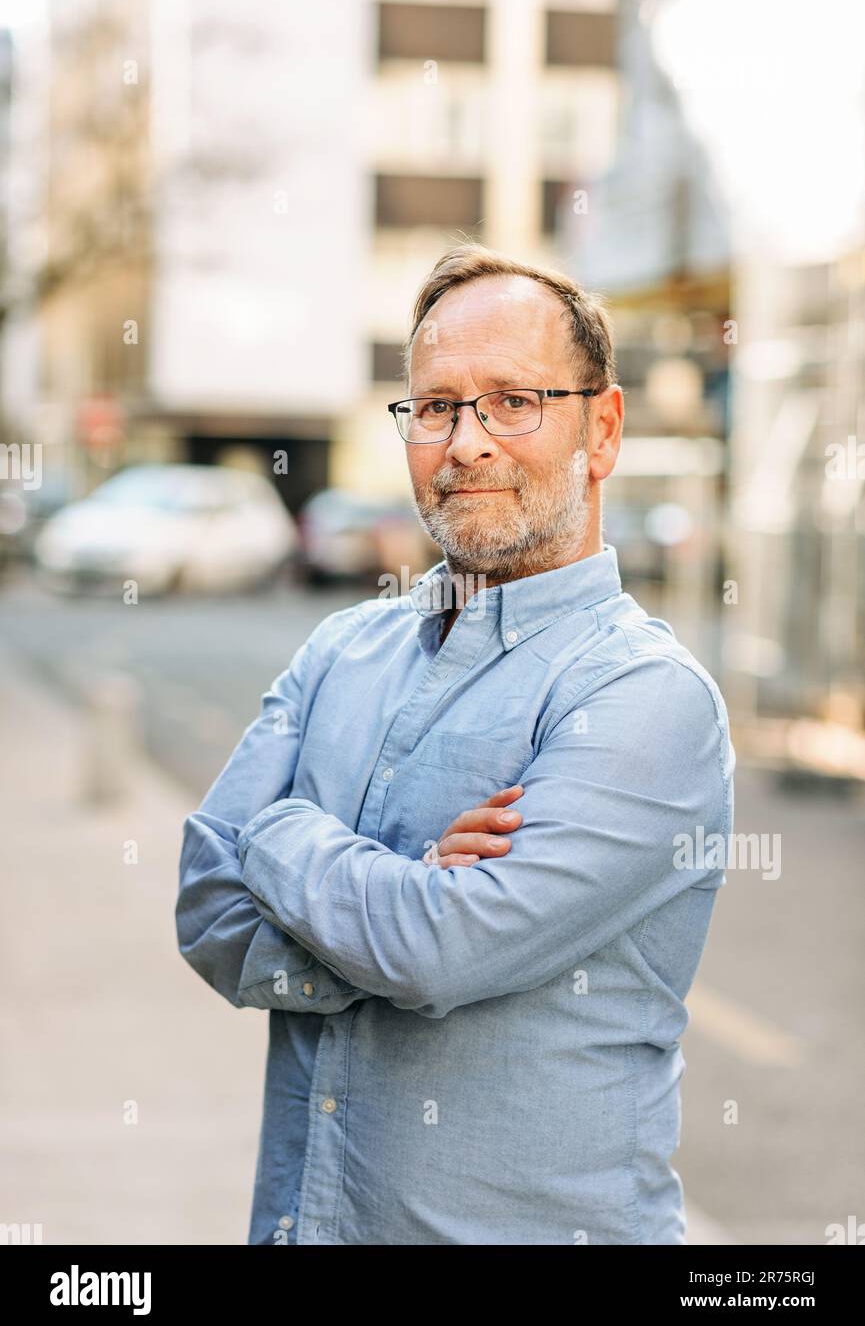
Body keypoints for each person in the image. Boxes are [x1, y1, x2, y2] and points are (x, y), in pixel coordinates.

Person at [176, 242, 735, 1245]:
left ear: (600, 429)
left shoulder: (645, 698)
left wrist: (285, 834)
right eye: (435, 406)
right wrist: (394, 906)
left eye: (513, 400)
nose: (464, 441)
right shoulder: (340, 650)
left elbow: (437, 951)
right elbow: (206, 911)